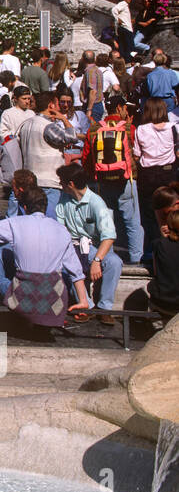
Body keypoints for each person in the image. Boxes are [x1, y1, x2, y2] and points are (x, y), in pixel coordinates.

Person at [0, 187, 90, 323]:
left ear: (24, 207)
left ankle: (12, 314)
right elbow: (76, 271)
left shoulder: (15, 223)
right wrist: (83, 301)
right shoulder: (62, 230)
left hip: (22, 297)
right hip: (54, 302)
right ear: (45, 207)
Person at [54, 164, 122, 325]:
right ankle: (87, 306)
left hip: (94, 247)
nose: (60, 185)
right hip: (72, 245)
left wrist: (97, 261)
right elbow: (60, 227)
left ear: (70, 184)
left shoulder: (96, 202)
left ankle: (105, 308)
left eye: (62, 182)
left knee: (114, 262)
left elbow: (109, 235)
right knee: (68, 265)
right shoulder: (64, 199)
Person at [83, 92, 142, 263]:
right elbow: (137, 154)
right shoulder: (129, 128)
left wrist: (94, 176)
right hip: (127, 180)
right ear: (119, 107)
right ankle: (135, 259)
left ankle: (106, 258)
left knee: (105, 222)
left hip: (102, 182)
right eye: (125, 108)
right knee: (132, 222)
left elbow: (86, 158)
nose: (126, 112)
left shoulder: (94, 129)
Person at [133, 96, 179, 250]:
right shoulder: (174, 127)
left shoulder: (141, 129)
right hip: (168, 172)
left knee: (150, 213)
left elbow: (137, 155)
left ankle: (153, 247)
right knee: (172, 209)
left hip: (148, 174)